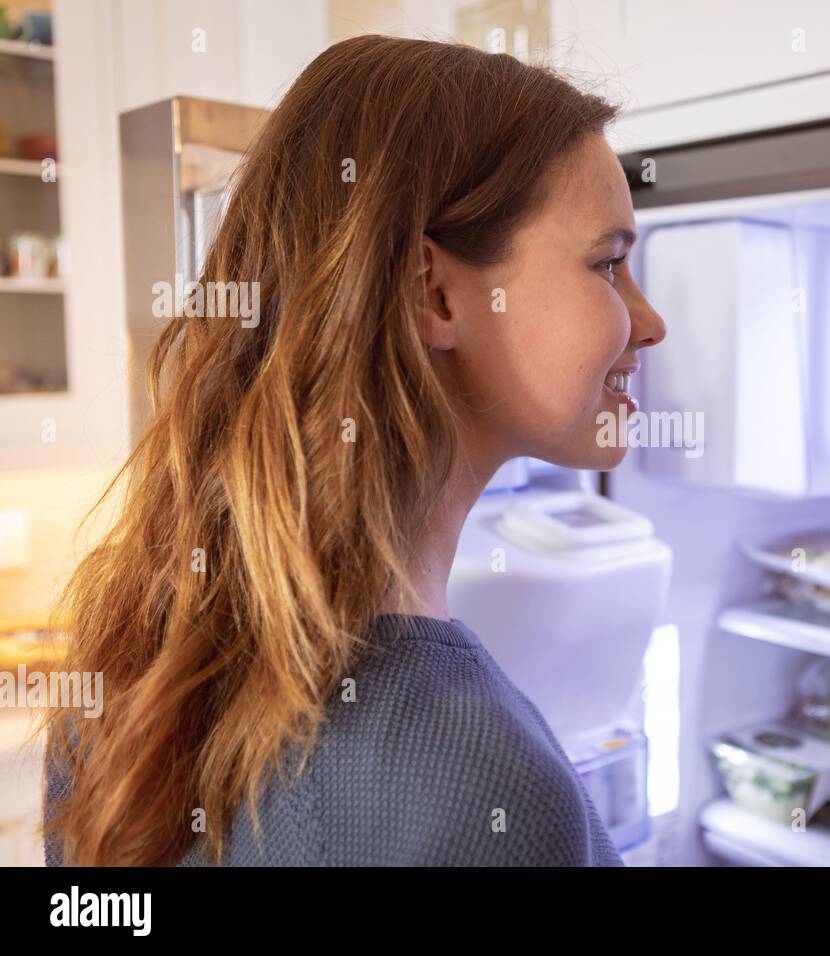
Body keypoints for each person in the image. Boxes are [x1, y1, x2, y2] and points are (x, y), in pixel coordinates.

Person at [41, 33, 665, 867]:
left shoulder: (132, 672)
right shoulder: (485, 791)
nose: (648, 322)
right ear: (433, 293)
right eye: (609, 264)